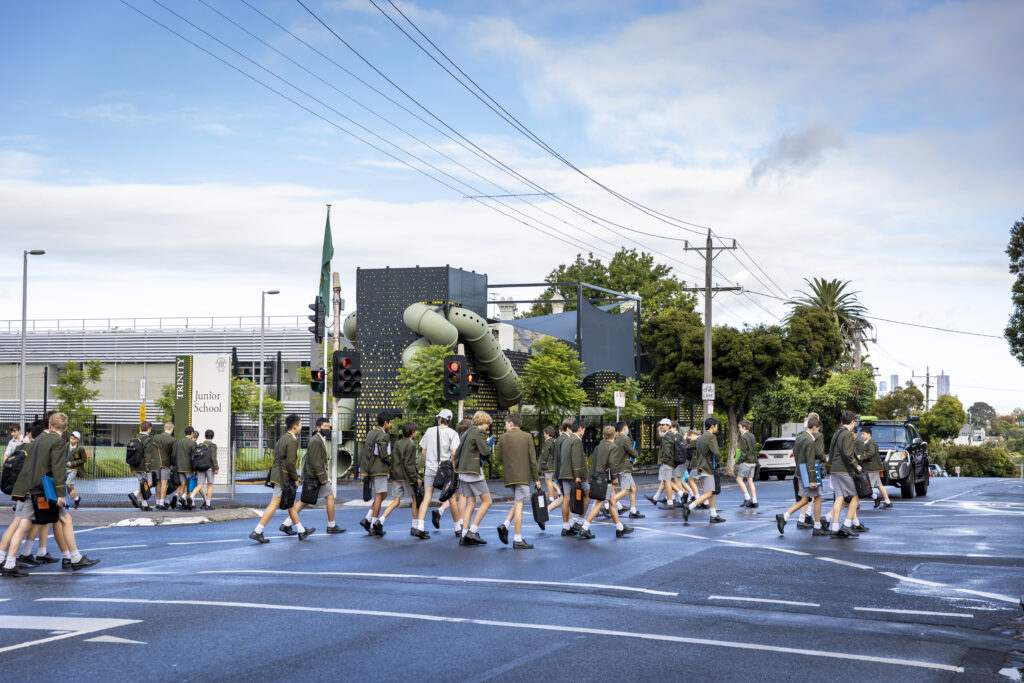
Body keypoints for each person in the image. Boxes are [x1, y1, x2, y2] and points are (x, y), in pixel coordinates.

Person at [2, 412, 99, 576]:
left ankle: (10, 563)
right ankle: (74, 558)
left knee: (24, 523)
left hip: (28, 487)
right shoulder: (58, 442)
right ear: (66, 428)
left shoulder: (38, 439)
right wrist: (61, 493)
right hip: (44, 490)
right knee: (66, 519)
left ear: (50, 425)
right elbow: (58, 468)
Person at [249, 414, 312, 543]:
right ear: (295, 426)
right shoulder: (292, 441)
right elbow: (290, 463)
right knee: (275, 503)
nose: (301, 426)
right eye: (300, 424)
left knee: (291, 503)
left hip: (278, 474)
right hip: (283, 477)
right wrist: (295, 478)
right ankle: (257, 531)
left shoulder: (282, 438)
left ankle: (301, 531)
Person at [578, 426, 634, 540]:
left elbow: (593, 462)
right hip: (605, 477)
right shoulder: (613, 447)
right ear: (615, 435)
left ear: (603, 435)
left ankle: (619, 528)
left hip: (596, 476)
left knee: (612, 501)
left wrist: (591, 477)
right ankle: (585, 527)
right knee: (600, 503)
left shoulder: (599, 446)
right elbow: (613, 464)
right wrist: (615, 477)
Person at [291, 418, 345, 535]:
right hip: (316, 476)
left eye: (329, 426)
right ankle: (331, 526)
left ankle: (286, 524)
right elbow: (315, 462)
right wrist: (323, 478)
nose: (327, 429)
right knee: (327, 497)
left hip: (316, 476)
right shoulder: (316, 441)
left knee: (305, 501)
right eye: (325, 426)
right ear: (318, 428)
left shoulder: (319, 439)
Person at [494, 413, 541, 549]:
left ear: (510, 424)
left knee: (517, 501)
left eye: (505, 424)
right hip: (523, 476)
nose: (505, 426)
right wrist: (536, 478)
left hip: (509, 476)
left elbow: (499, 458)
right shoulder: (527, 437)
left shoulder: (503, 437)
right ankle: (517, 539)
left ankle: (505, 525)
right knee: (520, 505)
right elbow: (532, 459)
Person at [775, 415, 828, 536]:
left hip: (800, 471)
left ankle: (784, 516)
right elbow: (810, 460)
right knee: (818, 498)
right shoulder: (810, 440)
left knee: (805, 500)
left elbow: (795, 453)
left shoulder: (799, 437)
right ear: (814, 427)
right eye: (817, 428)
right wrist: (813, 479)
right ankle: (817, 527)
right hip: (808, 473)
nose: (818, 431)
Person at [415, 409, 461, 534]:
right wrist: (450, 466)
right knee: (451, 498)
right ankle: (457, 528)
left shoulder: (430, 431)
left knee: (427, 498)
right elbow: (454, 453)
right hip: (445, 471)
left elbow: (423, 451)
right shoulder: (453, 433)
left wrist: (429, 462)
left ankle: (420, 527)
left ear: (439, 419)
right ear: (449, 420)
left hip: (430, 469)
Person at [828, 411, 868, 539]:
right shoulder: (847, 434)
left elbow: (832, 452)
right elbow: (847, 453)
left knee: (839, 498)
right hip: (843, 470)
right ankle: (847, 524)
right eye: (854, 422)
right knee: (856, 496)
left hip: (834, 469)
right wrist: (856, 466)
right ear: (851, 422)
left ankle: (834, 528)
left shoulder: (837, 433)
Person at [377, 422, 421, 538]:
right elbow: (408, 464)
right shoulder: (411, 445)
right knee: (415, 499)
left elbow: (395, 460)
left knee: (396, 501)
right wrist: (415, 477)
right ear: (412, 433)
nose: (417, 432)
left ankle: (380, 520)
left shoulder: (397, 443)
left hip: (396, 475)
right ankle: (414, 526)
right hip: (407, 477)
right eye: (416, 431)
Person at [456, 411, 493, 546]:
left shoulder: (466, 432)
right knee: (487, 501)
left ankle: (464, 535)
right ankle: (473, 530)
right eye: (487, 424)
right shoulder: (479, 433)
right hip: (473, 472)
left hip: (462, 472)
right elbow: (485, 451)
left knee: (471, 503)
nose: (487, 427)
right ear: (482, 423)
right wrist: (488, 446)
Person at [682, 418, 725, 524]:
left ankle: (713, 515)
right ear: (712, 426)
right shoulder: (711, 437)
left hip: (701, 467)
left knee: (711, 492)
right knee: (709, 493)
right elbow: (716, 452)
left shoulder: (700, 437)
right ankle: (689, 507)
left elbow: (689, 446)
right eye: (716, 426)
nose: (717, 428)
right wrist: (719, 463)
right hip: (708, 467)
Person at [358, 412, 393, 537]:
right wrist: (391, 461)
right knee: (379, 497)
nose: (391, 424)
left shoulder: (371, 433)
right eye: (390, 422)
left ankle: (367, 519)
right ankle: (373, 526)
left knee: (383, 494)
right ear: (385, 423)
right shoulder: (383, 436)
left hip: (370, 468)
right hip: (379, 469)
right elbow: (384, 454)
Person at [556, 419, 588, 536]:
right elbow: (576, 459)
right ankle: (579, 522)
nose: (584, 432)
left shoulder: (566, 440)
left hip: (564, 474)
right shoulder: (576, 441)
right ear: (580, 428)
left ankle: (566, 527)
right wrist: (578, 476)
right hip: (575, 475)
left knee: (567, 499)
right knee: (587, 495)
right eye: (584, 430)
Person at [613, 422, 644, 519]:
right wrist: (635, 455)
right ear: (624, 428)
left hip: (622, 466)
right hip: (625, 467)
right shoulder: (625, 439)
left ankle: (633, 511)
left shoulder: (617, 439)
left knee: (633, 488)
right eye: (627, 428)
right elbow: (632, 451)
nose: (628, 430)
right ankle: (606, 506)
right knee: (625, 491)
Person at [646, 418, 679, 508]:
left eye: (663, 425)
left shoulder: (667, 436)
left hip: (667, 462)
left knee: (667, 482)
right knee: (666, 481)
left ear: (668, 426)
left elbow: (667, 450)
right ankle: (676, 497)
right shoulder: (670, 435)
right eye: (660, 425)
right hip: (670, 462)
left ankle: (670, 503)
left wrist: (664, 460)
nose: (661, 426)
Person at [859, 426, 892, 510]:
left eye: (863, 434)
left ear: (869, 434)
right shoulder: (867, 443)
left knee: (866, 486)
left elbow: (871, 453)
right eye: (861, 434)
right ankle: (888, 502)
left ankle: (875, 498)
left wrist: (861, 457)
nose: (862, 436)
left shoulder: (871, 443)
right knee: (879, 485)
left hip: (871, 468)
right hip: (874, 468)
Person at [128, 421, 156, 512]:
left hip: (135, 465)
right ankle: (134, 494)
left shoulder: (134, 437)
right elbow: (148, 454)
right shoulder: (147, 439)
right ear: (149, 429)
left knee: (141, 483)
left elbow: (131, 453)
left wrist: (131, 466)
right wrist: (147, 467)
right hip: (144, 465)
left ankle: (144, 504)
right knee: (149, 483)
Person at [187, 429, 218, 510]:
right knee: (210, 486)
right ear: (213, 436)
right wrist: (216, 468)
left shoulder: (200, 445)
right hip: (209, 468)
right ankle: (208, 504)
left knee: (200, 484)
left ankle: (192, 496)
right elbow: (213, 458)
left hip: (200, 468)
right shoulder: (213, 445)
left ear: (205, 436)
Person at [172, 427, 198, 510]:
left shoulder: (179, 442)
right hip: (188, 467)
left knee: (182, 485)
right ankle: (186, 501)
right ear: (192, 433)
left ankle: (180, 504)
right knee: (190, 485)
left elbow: (174, 455)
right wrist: (194, 470)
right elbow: (194, 457)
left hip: (179, 467)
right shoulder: (192, 443)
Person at [152, 422, 176, 510]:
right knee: (164, 483)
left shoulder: (155, 437)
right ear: (171, 429)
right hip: (166, 464)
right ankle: (162, 503)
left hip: (156, 464)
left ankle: (157, 503)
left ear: (164, 428)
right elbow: (173, 455)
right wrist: (172, 464)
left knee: (157, 483)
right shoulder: (172, 440)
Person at [538, 425, 562, 509]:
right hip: (554, 464)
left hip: (548, 464)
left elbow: (545, 454)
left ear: (547, 434)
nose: (544, 435)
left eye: (544, 433)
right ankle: (559, 491)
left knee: (548, 481)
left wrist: (543, 462)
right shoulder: (555, 441)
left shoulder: (547, 442)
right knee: (550, 480)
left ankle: (551, 498)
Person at [736, 420, 758, 508]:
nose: (739, 429)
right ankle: (755, 500)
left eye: (740, 427)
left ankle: (747, 498)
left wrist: (740, 460)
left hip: (746, 461)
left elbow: (743, 451)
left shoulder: (743, 437)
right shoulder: (752, 435)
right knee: (750, 481)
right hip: (753, 461)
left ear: (744, 428)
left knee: (739, 479)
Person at [65, 430, 87, 509]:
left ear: (78, 440)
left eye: (74, 439)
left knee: (67, 484)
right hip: (64, 468)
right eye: (71, 438)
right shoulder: (66, 445)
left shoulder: (80, 449)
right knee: (71, 486)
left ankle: (66, 502)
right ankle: (77, 499)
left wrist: (73, 463)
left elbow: (84, 459)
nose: (71, 440)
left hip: (73, 469)